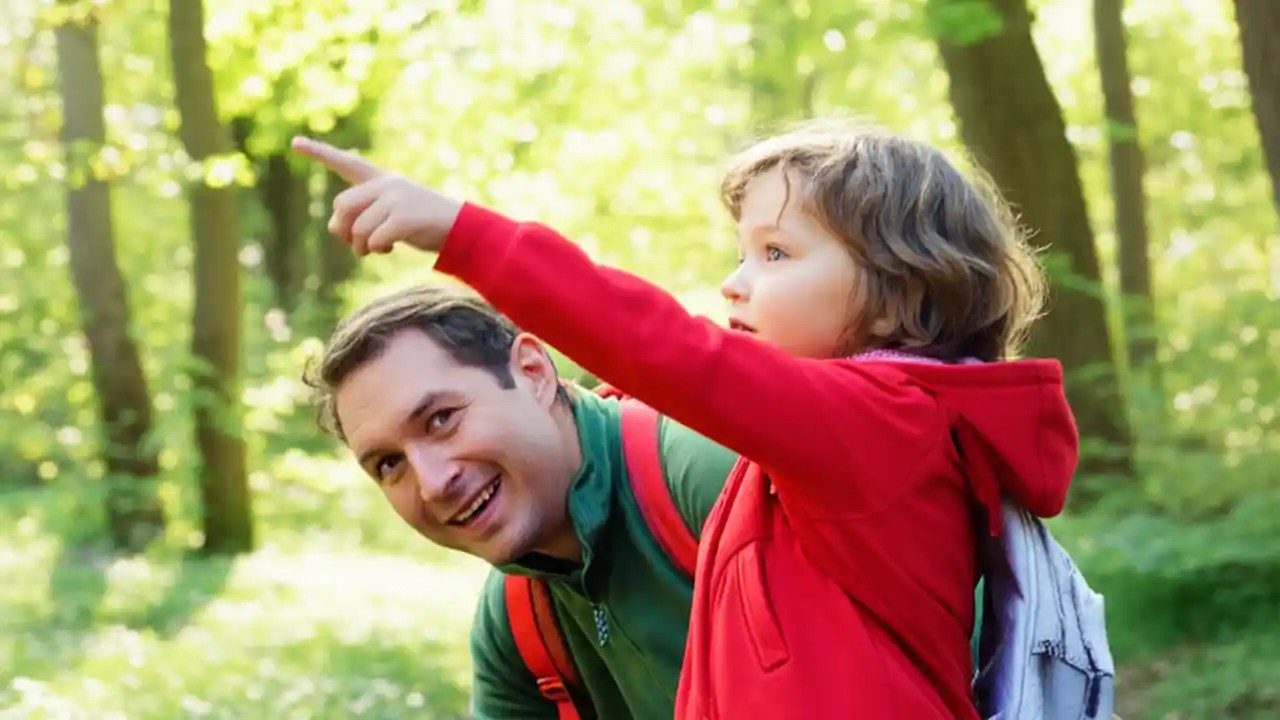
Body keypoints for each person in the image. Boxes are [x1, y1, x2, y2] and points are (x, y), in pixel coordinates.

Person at [294, 120, 1080, 719]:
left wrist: (462, 233)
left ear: (897, 295)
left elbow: (671, 353)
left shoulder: (881, 430)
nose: (734, 284)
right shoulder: (801, 466)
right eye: (741, 253)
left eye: (775, 254)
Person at [307, 284, 739, 719]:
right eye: (388, 464)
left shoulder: (710, 478)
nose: (433, 484)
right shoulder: (518, 622)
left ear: (533, 373)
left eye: (441, 420)